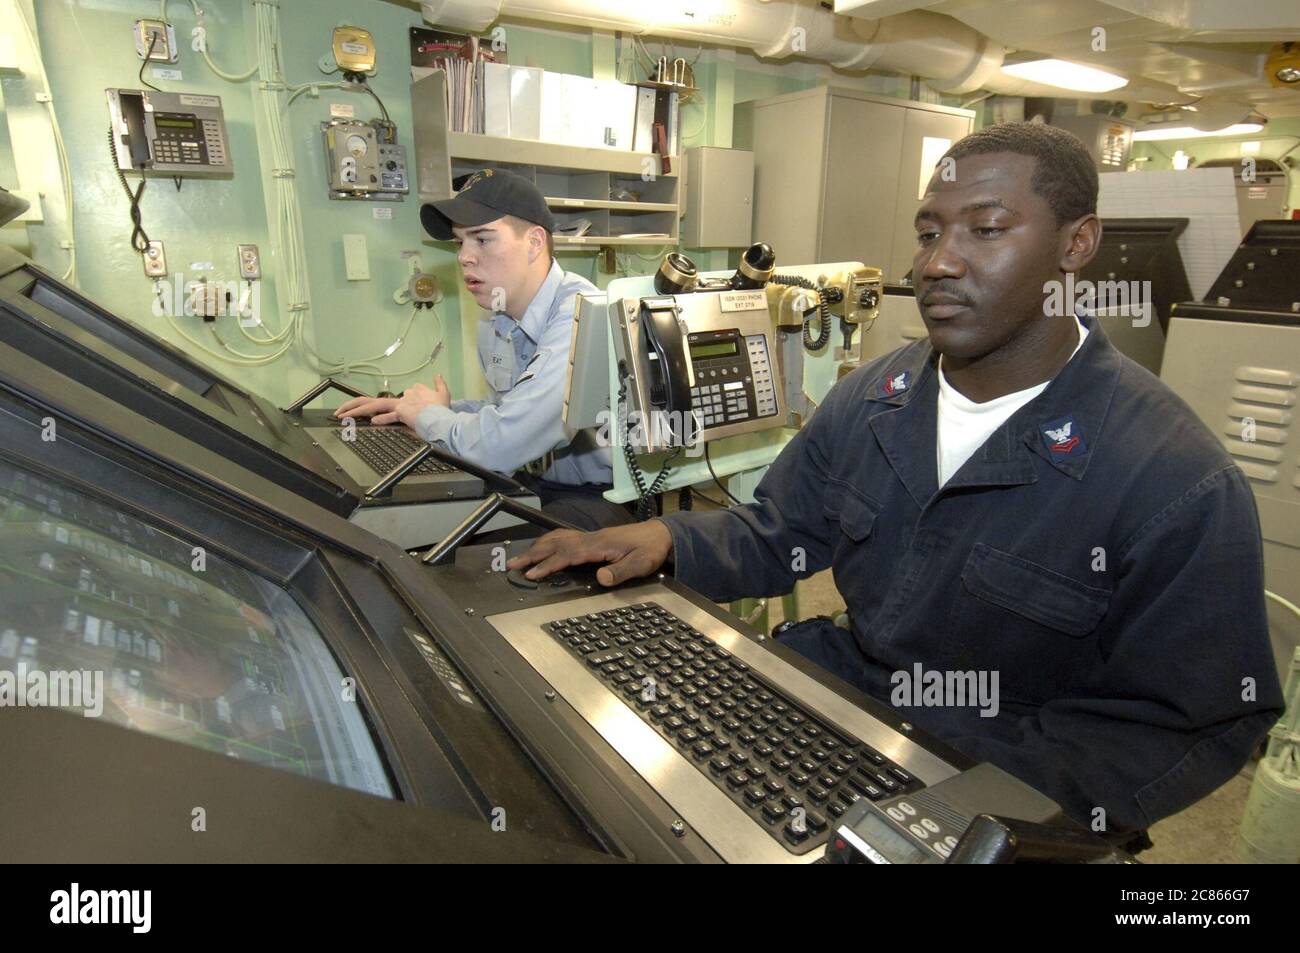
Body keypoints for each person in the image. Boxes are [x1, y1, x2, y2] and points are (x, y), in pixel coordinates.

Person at [505, 122, 1285, 836]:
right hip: (848, 702)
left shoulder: (1174, 478)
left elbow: (1184, 719)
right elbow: (784, 530)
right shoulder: (874, 398)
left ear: (1076, 245)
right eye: (928, 231)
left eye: (985, 229)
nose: (939, 261)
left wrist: (973, 816)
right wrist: (660, 536)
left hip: (1001, 765)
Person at [335, 168, 633, 530]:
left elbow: (500, 445)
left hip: (599, 500)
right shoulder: (496, 319)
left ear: (535, 243)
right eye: (460, 242)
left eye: (482, 239)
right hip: (531, 481)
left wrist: (428, 418)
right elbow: (507, 411)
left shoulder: (583, 316)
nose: (464, 257)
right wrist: (412, 408)